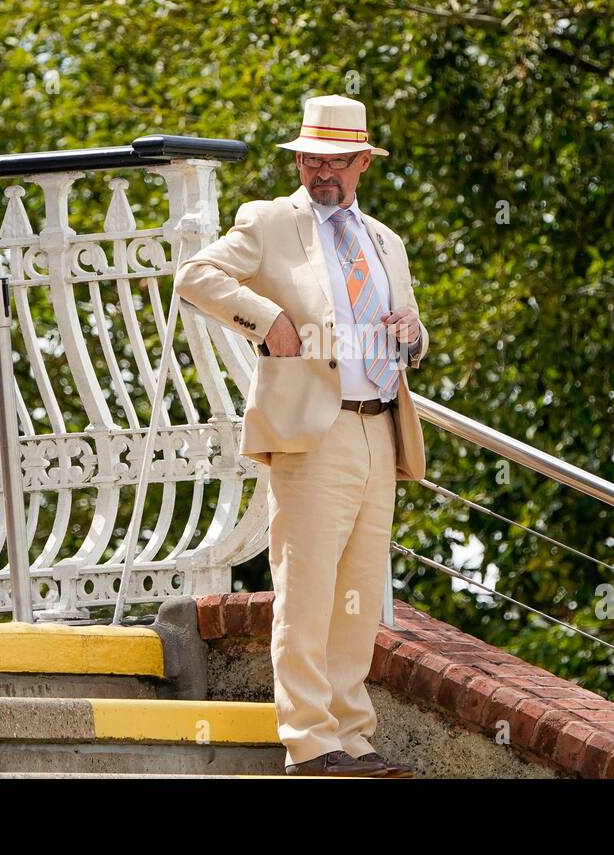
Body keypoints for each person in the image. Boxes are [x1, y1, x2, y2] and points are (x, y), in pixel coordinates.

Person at [173, 93, 429, 776]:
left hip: (380, 428)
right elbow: (195, 275)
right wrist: (265, 319)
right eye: (310, 157)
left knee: (357, 593)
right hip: (313, 433)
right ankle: (310, 743)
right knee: (308, 589)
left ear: (363, 162)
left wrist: (416, 335)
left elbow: (406, 321)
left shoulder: (386, 242)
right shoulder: (268, 222)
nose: (320, 171)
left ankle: (353, 734)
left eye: (335, 159)